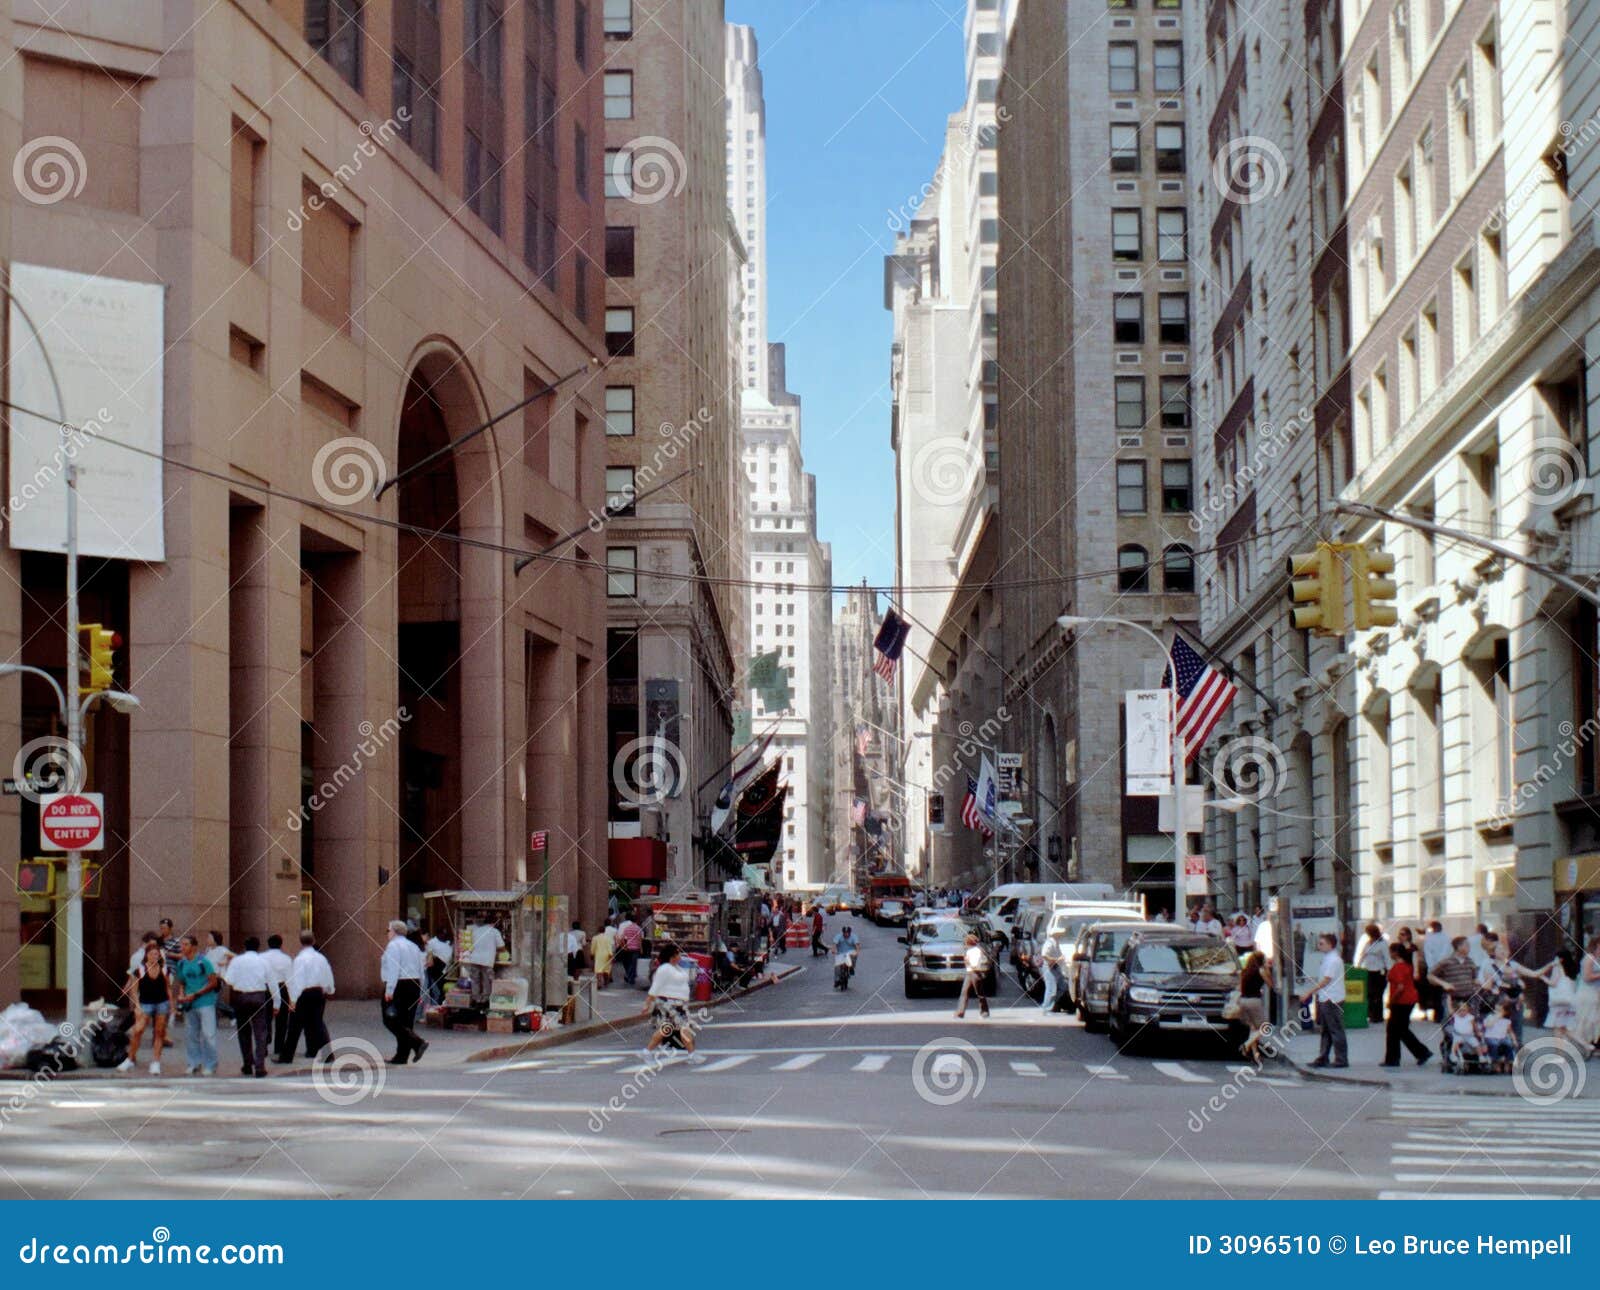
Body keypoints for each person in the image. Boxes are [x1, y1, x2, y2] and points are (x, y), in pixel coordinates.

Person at [641, 943, 702, 1062]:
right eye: (678, 953)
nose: (680, 955)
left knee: (666, 1029)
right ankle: (692, 1054)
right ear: (672, 956)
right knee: (683, 1028)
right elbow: (655, 987)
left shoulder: (676, 967)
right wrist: (647, 1003)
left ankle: (647, 1051)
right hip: (670, 1003)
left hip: (678, 1003)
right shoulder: (664, 969)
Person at [281, 929, 335, 1062]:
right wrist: (329, 989)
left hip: (304, 993)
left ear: (300, 942)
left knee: (294, 1025)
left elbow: (297, 980)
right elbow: (328, 975)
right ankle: (328, 1055)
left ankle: (287, 1057)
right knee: (318, 1023)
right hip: (318, 992)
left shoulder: (300, 959)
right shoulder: (321, 958)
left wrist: (293, 999)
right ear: (314, 941)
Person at [119, 941, 173, 1074]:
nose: (154, 956)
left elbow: (168, 988)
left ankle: (155, 1062)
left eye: (156, 954)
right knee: (138, 1030)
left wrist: (172, 1005)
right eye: (152, 954)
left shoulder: (164, 969)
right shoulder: (140, 969)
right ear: (147, 955)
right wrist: (137, 1006)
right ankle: (130, 1059)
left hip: (162, 1003)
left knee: (159, 1032)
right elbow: (134, 990)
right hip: (145, 1003)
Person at [380, 919, 428, 1065]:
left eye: (388, 930)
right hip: (414, 984)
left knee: (390, 1019)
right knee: (407, 1020)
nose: (387, 933)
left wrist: (389, 990)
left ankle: (417, 1042)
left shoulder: (393, 946)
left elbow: (394, 969)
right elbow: (421, 970)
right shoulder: (413, 946)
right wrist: (420, 991)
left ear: (394, 931)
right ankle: (402, 1055)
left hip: (399, 984)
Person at [224, 936, 273, 1078]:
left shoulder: (237, 961)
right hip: (258, 996)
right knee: (260, 1032)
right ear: (258, 947)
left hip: (241, 996)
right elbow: (271, 982)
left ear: (244, 947)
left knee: (243, 1031)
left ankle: (247, 1064)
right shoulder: (264, 961)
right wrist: (276, 1003)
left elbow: (229, 980)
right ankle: (260, 1066)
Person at [173, 935, 220, 1075]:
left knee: (208, 1034)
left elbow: (213, 982)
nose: (183, 947)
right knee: (191, 1034)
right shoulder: (182, 963)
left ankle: (210, 1064)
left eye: (186, 944)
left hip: (205, 1002)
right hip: (190, 1003)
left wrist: (197, 994)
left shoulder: (203, 962)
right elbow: (181, 981)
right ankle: (194, 1062)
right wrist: (181, 994)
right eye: (182, 945)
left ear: (193, 946)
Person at [1299, 932, 1347, 1068]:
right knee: (1326, 1030)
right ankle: (1323, 1057)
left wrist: (1309, 992)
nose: (1319, 946)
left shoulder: (1334, 960)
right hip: (1326, 997)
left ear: (1330, 945)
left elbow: (1326, 980)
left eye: (1322, 944)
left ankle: (1341, 1059)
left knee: (1335, 1030)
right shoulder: (1328, 958)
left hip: (1333, 998)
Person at [1381, 941, 1432, 1068]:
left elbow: (1400, 987)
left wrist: (1391, 1000)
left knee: (1393, 1030)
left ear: (1395, 953)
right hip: (1409, 999)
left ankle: (1393, 1058)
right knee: (1401, 1029)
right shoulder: (1407, 965)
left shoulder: (1398, 967)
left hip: (1401, 1001)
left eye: (1391, 952)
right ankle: (1421, 1052)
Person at [261, 933, 294, 1062]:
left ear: (268, 944)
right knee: (282, 1020)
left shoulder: (261, 957)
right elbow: (290, 979)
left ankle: (263, 1045)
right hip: (281, 987)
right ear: (281, 944)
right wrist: (292, 998)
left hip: (265, 988)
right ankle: (279, 1047)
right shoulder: (286, 959)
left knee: (264, 1018)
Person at [1236, 949, 1271, 1066]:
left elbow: (1239, 987)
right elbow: (1271, 984)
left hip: (1242, 1001)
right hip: (1254, 1000)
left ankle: (1255, 1055)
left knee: (1253, 1028)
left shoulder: (1244, 971)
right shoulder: (1261, 971)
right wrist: (1267, 969)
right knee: (1264, 1027)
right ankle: (1246, 1045)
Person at [461, 919, 504, 1008]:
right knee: (486, 981)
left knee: (475, 981)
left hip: (474, 959)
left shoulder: (474, 930)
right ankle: (485, 1002)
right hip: (487, 961)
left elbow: (467, 945)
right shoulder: (495, 931)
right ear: (491, 923)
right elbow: (501, 946)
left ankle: (476, 1000)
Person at [1353, 923, 1389, 1025]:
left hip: (1379, 971)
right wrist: (1357, 966)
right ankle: (1371, 1014)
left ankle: (1378, 1016)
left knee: (1378, 994)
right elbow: (1362, 954)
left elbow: (1387, 958)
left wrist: (1389, 970)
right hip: (1368, 970)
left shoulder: (1382, 943)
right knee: (1369, 994)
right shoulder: (1367, 942)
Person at [1571, 933, 1600, 1053]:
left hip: (1595, 993)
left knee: (1594, 1021)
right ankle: (1581, 1046)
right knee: (1585, 1020)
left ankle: (1590, 1045)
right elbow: (1586, 977)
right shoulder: (1589, 958)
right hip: (1587, 994)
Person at [1544, 951, 1580, 1040]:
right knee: (1563, 1028)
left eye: (1556, 958)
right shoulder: (1572, 969)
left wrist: (1542, 977)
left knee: (1558, 1028)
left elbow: (1553, 983)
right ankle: (1586, 1046)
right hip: (1570, 1001)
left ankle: (1560, 1052)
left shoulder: (1558, 968)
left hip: (1558, 1002)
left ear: (1560, 959)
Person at [955, 933, 992, 1019]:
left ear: (969, 943)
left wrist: (967, 962)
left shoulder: (976, 951)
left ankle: (984, 1011)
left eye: (966, 943)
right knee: (964, 992)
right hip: (969, 973)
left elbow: (974, 965)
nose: (965, 945)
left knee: (979, 993)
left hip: (975, 973)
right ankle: (960, 1012)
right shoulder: (969, 951)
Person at [1421, 920, 1452, 1020]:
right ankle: (1442, 1013)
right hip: (1443, 967)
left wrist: (1432, 966)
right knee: (1441, 990)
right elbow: (1446, 952)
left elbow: (1428, 953)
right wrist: (1440, 963)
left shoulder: (1429, 939)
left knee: (1436, 991)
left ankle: (1438, 1014)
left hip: (1434, 967)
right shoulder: (1446, 938)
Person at [1037, 926, 1067, 1014]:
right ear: (1055, 934)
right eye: (1060, 933)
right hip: (1049, 967)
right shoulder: (1050, 943)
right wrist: (1055, 959)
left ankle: (1051, 1005)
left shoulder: (1056, 942)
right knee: (1050, 988)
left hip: (1055, 967)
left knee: (1062, 986)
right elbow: (1044, 955)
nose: (1061, 934)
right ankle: (1046, 1007)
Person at [1448, 999, 1487, 1065]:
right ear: (1457, 1011)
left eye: (1464, 1010)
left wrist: (1478, 1033)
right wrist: (1448, 1000)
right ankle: (1453, 1054)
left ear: (1468, 1010)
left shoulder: (1470, 1017)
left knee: (1476, 1044)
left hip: (1469, 1035)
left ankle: (1481, 1056)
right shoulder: (1456, 1016)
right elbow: (1450, 1010)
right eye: (1460, 1010)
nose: (1462, 1012)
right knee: (1456, 1042)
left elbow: (1475, 1026)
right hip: (1458, 1035)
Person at [1483, 1001, 1519, 1072]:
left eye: (1500, 1010)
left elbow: (1510, 1031)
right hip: (1491, 1037)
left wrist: (1514, 1040)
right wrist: (1496, 1018)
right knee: (1495, 1044)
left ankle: (1509, 1062)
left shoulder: (1506, 1020)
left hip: (1502, 1038)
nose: (1497, 1012)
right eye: (1496, 1010)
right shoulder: (1490, 1017)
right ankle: (1496, 1062)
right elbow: (1488, 1025)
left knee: (1509, 1045)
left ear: (1504, 1012)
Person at [424, 926, 453, 1006]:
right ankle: (435, 1006)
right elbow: (429, 956)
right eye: (442, 933)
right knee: (436, 990)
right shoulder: (432, 942)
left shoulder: (448, 943)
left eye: (445, 934)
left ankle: (441, 1004)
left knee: (443, 990)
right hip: (436, 970)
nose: (444, 935)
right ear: (438, 934)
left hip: (446, 970)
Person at [615, 912, 644, 987]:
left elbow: (621, 938)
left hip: (628, 948)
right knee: (633, 963)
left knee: (628, 962)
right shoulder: (638, 928)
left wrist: (624, 946)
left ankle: (629, 975)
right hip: (636, 948)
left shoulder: (626, 928)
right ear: (636, 921)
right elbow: (640, 939)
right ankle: (630, 977)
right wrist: (641, 949)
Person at [832, 925, 860, 990]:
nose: (846, 934)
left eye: (848, 933)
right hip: (841, 953)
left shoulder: (854, 937)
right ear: (843, 932)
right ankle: (836, 980)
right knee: (837, 967)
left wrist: (857, 952)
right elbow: (834, 944)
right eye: (845, 933)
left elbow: (857, 946)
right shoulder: (838, 936)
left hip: (850, 952)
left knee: (854, 957)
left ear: (850, 932)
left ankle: (851, 968)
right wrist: (833, 950)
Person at [590, 923, 616, 989]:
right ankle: (606, 983)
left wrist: (592, 954)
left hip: (598, 955)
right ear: (604, 931)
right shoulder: (608, 938)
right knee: (606, 970)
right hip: (607, 955)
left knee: (598, 970)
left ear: (598, 930)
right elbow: (609, 947)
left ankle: (599, 983)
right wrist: (611, 955)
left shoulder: (595, 938)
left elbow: (593, 947)